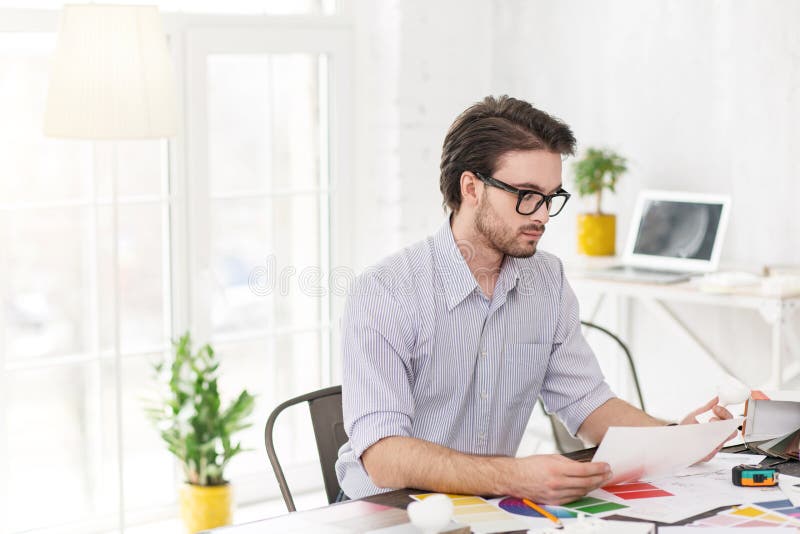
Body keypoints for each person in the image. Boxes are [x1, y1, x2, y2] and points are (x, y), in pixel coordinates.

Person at [334, 95, 733, 504]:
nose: (541, 215)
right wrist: (513, 476)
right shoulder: (385, 291)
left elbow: (586, 402)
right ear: (471, 187)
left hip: (485, 506)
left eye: (550, 197)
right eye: (526, 195)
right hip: (388, 510)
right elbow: (382, 455)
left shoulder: (546, 280)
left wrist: (675, 439)